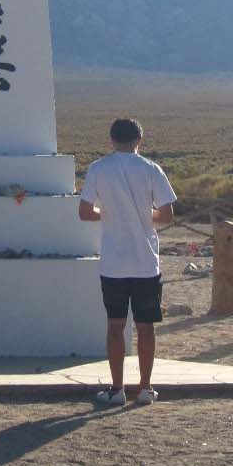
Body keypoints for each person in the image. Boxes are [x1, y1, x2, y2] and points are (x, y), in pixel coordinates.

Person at [78, 117, 177, 406]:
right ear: (139, 141)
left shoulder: (98, 169)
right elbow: (168, 215)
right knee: (146, 326)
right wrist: (143, 218)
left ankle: (117, 388)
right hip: (145, 262)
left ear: (111, 140)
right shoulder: (151, 169)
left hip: (113, 263)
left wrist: (108, 215)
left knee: (115, 326)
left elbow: (85, 212)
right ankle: (145, 388)